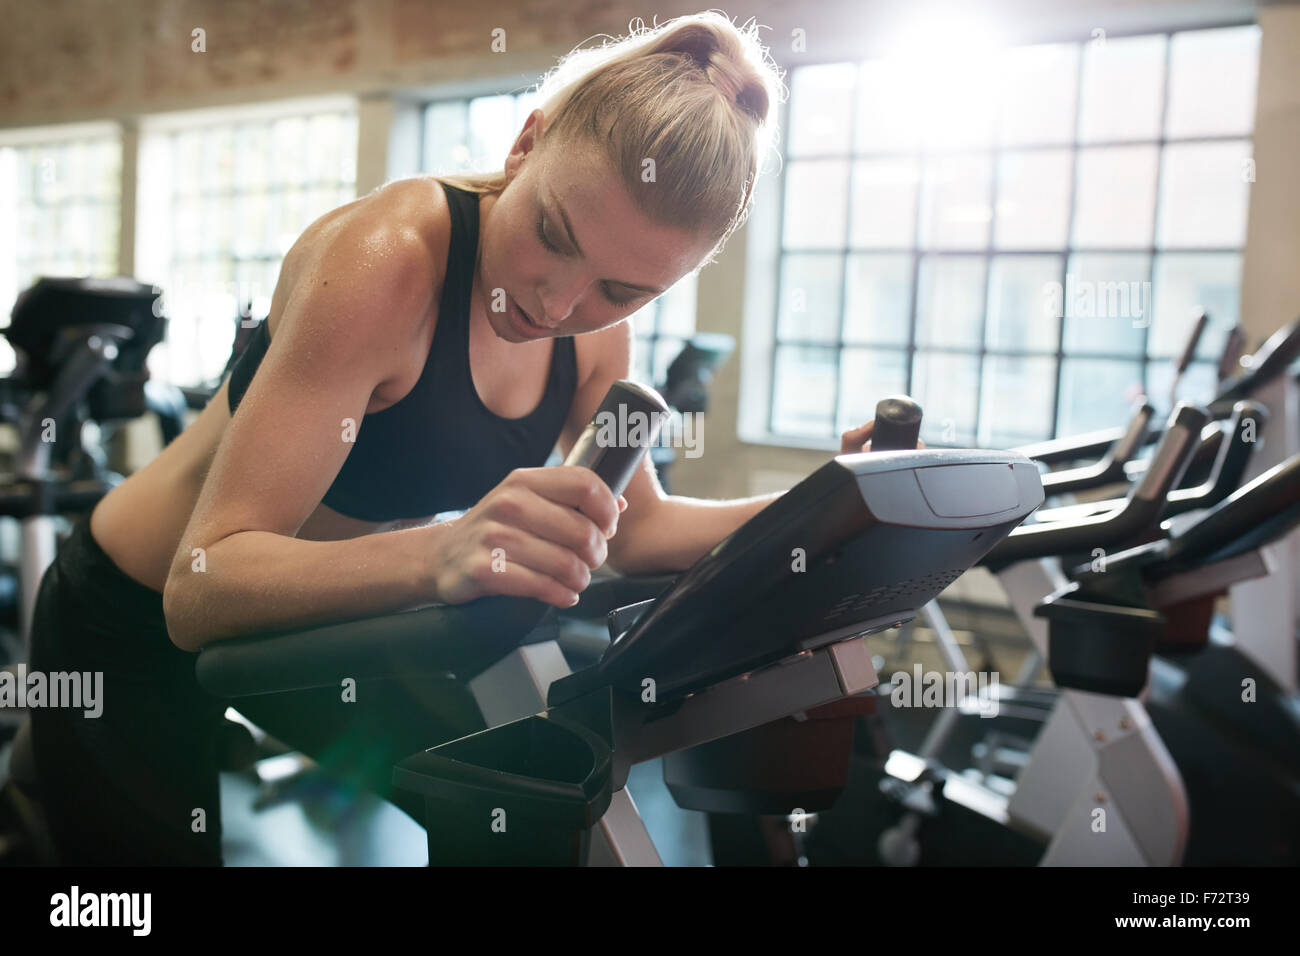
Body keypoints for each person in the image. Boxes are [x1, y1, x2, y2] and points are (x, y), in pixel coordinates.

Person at [19, 11, 882, 865]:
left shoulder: (596, 341)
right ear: (525, 144)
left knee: (532, 807)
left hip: (313, 626)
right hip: (128, 617)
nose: (556, 305)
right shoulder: (385, 262)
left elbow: (639, 530)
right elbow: (199, 586)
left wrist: (840, 501)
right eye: (552, 234)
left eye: (621, 289)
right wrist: (443, 553)